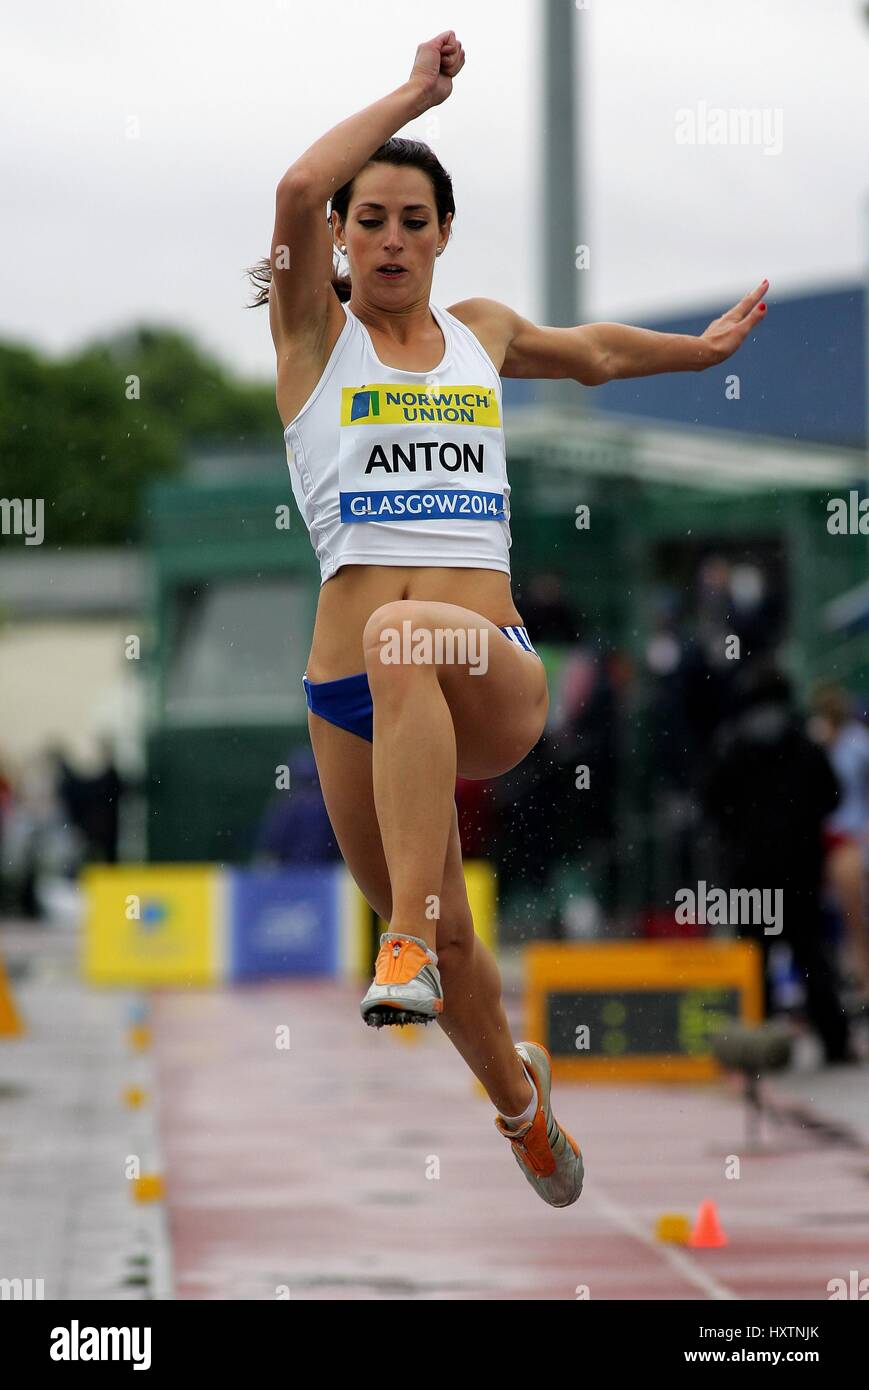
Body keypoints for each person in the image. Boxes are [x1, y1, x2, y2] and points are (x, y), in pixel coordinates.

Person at [248, 29, 767, 1206]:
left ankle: (404, 946)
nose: (387, 237)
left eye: (411, 220)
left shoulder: (477, 336)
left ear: (440, 237)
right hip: (350, 696)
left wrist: (700, 353)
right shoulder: (309, 341)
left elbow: (585, 351)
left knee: (403, 646)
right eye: (366, 217)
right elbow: (290, 185)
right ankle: (522, 1108)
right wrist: (411, 97)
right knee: (451, 944)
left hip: (490, 673)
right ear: (335, 238)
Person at [702, 667, 855, 1065]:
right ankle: (836, 1046)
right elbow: (832, 797)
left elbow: (712, 804)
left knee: (753, 962)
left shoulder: (732, 746)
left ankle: (757, 1049)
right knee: (813, 960)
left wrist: (742, 835)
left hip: (750, 878)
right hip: (800, 873)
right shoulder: (804, 744)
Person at [809, 683, 869, 1000]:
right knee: (820, 920)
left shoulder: (858, 745)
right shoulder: (815, 742)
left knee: (854, 919)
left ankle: (862, 979)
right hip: (823, 836)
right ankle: (833, 981)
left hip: (850, 836)